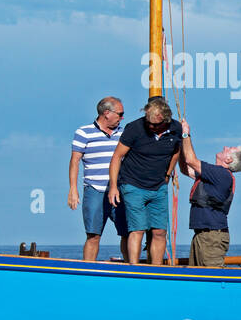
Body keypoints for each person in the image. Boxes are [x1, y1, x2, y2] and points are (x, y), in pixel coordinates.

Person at [107, 97, 182, 265]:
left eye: (155, 124)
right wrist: (113, 186)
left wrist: (168, 175)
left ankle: (157, 270)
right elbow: (117, 157)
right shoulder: (134, 128)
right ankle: (134, 268)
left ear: (166, 120)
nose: (150, 126)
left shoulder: (176, 129)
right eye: (148, 122)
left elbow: (176, 152)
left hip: (159, 187)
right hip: (133, 184)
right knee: (137, 229)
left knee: (160, 231)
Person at [177, 119, 241, 267]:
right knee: (197, 278)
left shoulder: (221, 174)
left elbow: (191, 160)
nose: (225, 146)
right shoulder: (213, 175)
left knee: (213, 277)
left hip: (211, 236)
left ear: (228, 159)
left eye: (230, 148)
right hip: (203, 235)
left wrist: (185, 134)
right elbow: (186, 168)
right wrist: (180, 142)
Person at [68, 97, 129, 261]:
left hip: (119, 190)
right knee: (93, 235)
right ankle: (88, 270)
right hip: (95, 189)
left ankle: (131, 268)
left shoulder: (124, 134)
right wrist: (73, 190)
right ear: (106, 113)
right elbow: (74, 161)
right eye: (120, 114)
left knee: (127, 233)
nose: (122, 118)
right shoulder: (83, 132)